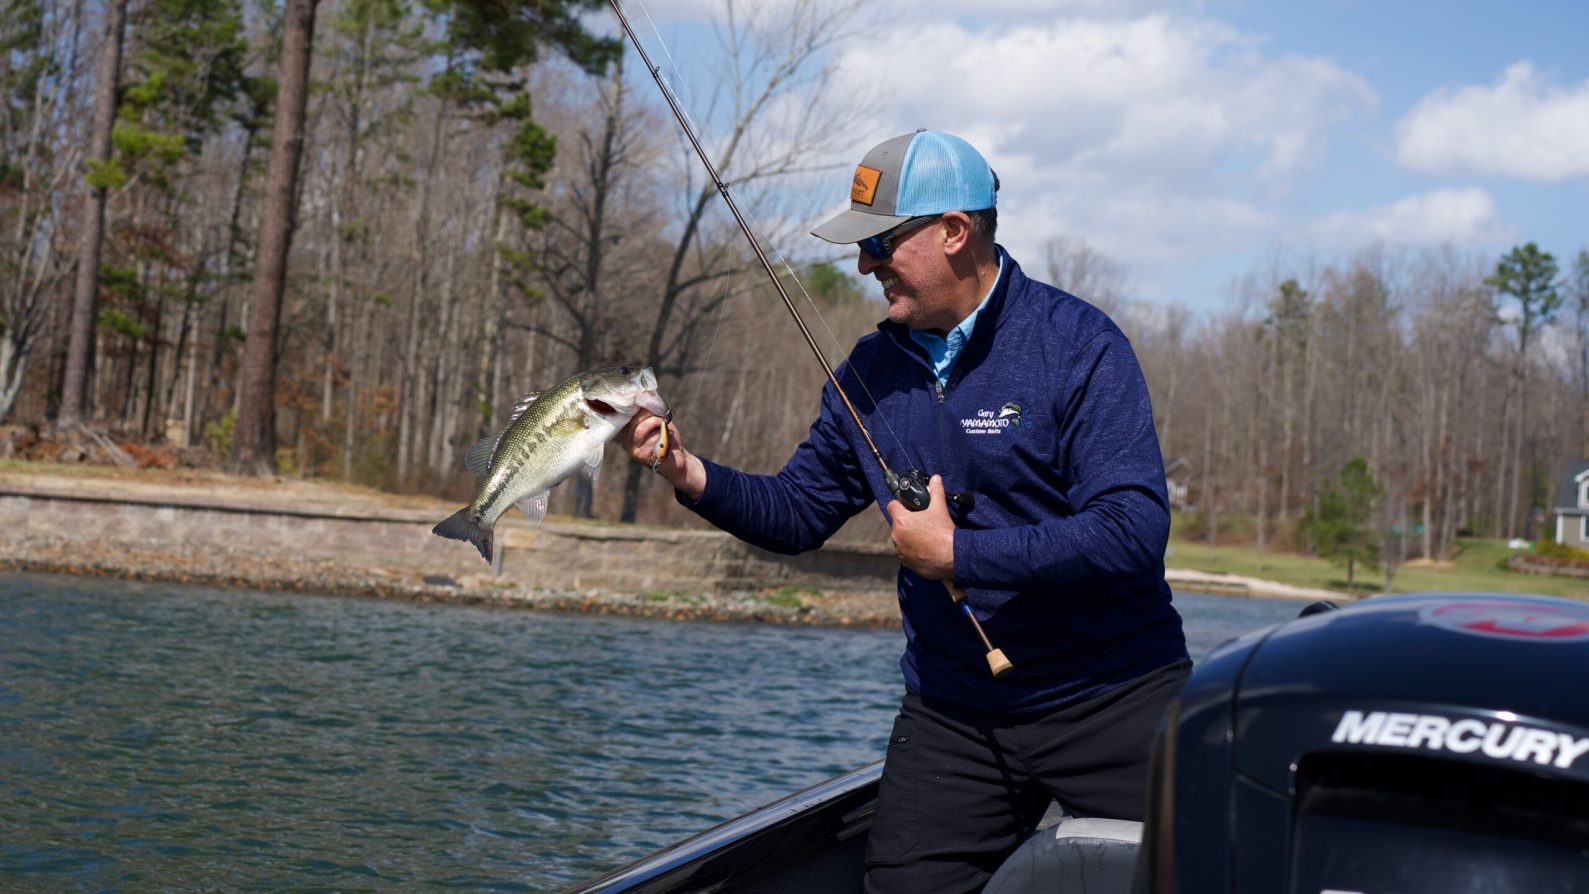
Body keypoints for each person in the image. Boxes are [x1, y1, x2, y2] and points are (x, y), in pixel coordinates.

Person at [618, 129, 1190, 894]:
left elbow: (1131, 531)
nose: (863, 264)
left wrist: (961, 557)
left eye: (881, 241)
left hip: (1113, 697)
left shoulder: (1079, 346)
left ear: (954, 232)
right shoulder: (869, 370)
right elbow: (795, 512)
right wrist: (686, 472)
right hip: (955, 713)